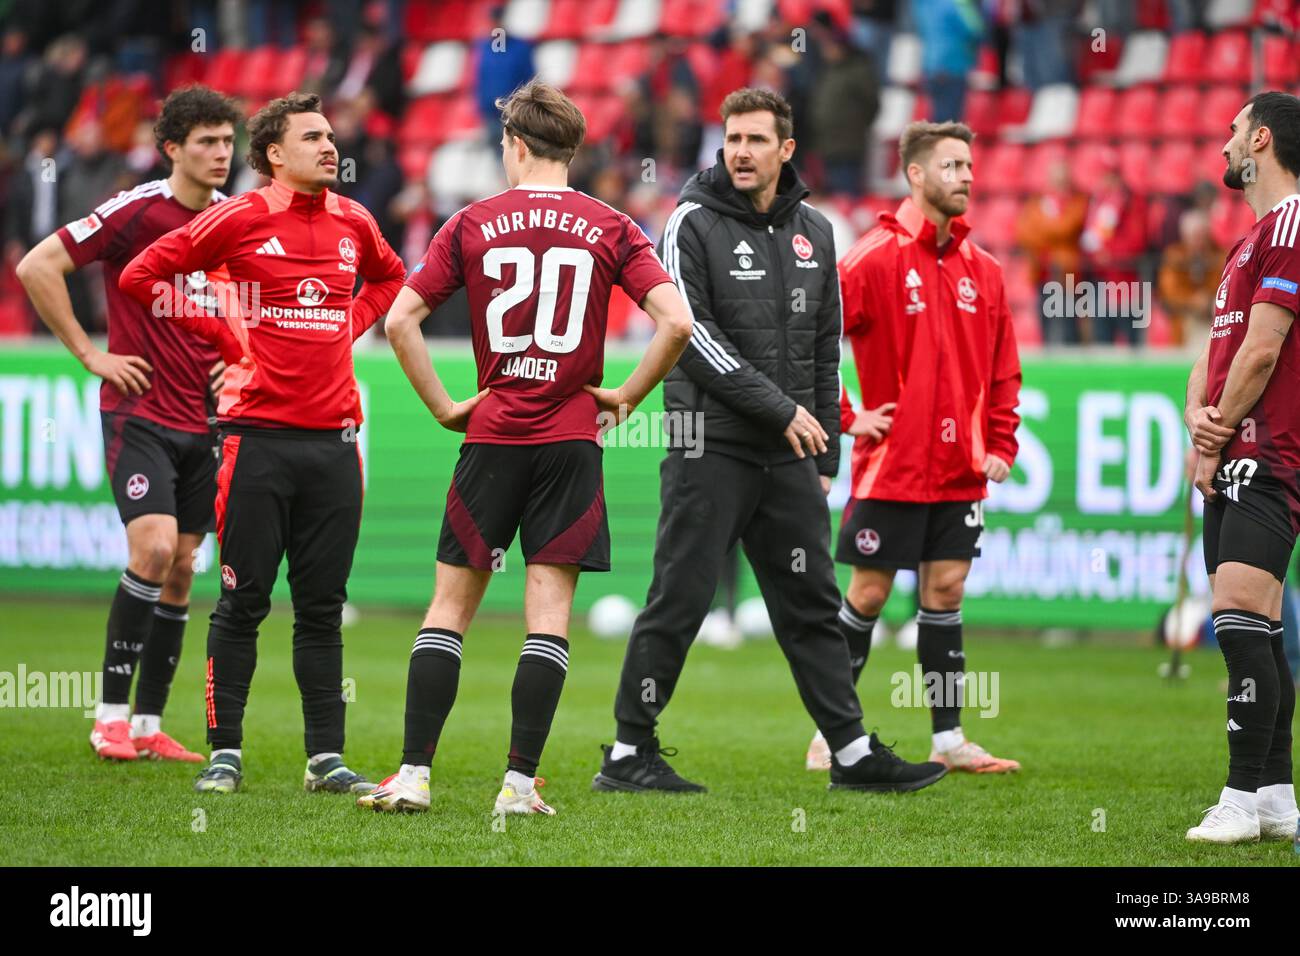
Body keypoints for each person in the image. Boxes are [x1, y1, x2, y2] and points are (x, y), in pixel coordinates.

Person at [593, 88, 947, 795]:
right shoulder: (689, 221)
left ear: (787, 150)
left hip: (787, 455)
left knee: (811, 605)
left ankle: (849, 755)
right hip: (709, 445)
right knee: (680, 599)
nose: (741, 152)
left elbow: (825, 348)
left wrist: (824, 456)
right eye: (732, 139)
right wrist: (782, 410)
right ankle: (630, 753)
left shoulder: (816, 228)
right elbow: (690, 336)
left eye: (757, 140)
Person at [358, 80, 692, 816]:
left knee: (448, 609)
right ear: (572, 149)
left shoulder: (472, 222)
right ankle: (517, 785)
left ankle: (414, 774)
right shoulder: (610, 224)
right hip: (571, 439)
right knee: (548, 617)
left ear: (514, 146)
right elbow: (675, 323)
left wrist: (446, 406)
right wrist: (627, 395)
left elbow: (400, 321)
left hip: (494, 436)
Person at [119, 92, 407, 795]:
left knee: (321, 607)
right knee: (242, 602)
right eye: (314, 137)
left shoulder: (355, 220)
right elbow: (141, 277)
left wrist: (350, 322)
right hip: (256, 441)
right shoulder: (239, 216)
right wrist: (221, 332)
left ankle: (325, 760)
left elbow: (393, 277)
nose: (331, 147)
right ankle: (226, 752)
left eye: (332, 136)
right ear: (275, 153)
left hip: (337, 445)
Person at [16, 86, 241, 764]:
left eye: (228, 142)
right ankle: (109, 717)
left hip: (205, 421)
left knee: (179, 570)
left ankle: (147, 725)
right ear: (172, 148)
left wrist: (240, 360)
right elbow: (37, 266)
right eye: (206, 142)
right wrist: (90, 353)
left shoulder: (235, 221)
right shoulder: (137, 210)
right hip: (139, 412)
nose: (221, 154)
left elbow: (248, 305)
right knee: (151, 550)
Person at [823, 120, 1022, 776]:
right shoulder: (871, 258)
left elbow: (1003, 370)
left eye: (970, 165)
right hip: (892, 467)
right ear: (915, 173)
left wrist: (999, 441)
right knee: (871, 594)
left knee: (946, 589)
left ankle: (949, 739)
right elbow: (814, 339)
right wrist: (850, 415)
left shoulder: (984, 271)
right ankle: (835, 733)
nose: (967, 176)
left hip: (959, 471)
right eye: (953, 165)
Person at [1184, 91, 1300, 844]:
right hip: (1231, 449)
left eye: (1232, 133)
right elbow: (1217, 349)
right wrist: (1197, 417)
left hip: (1268, 452)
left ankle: (1237, 792)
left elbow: (1262, 350)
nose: (1222, 145)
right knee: (1252, 623)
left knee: (1236, 624)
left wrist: (1215, 435)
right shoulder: (1250, 237)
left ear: (1259, 139)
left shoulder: (1292, 224)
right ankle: (1276, 797)